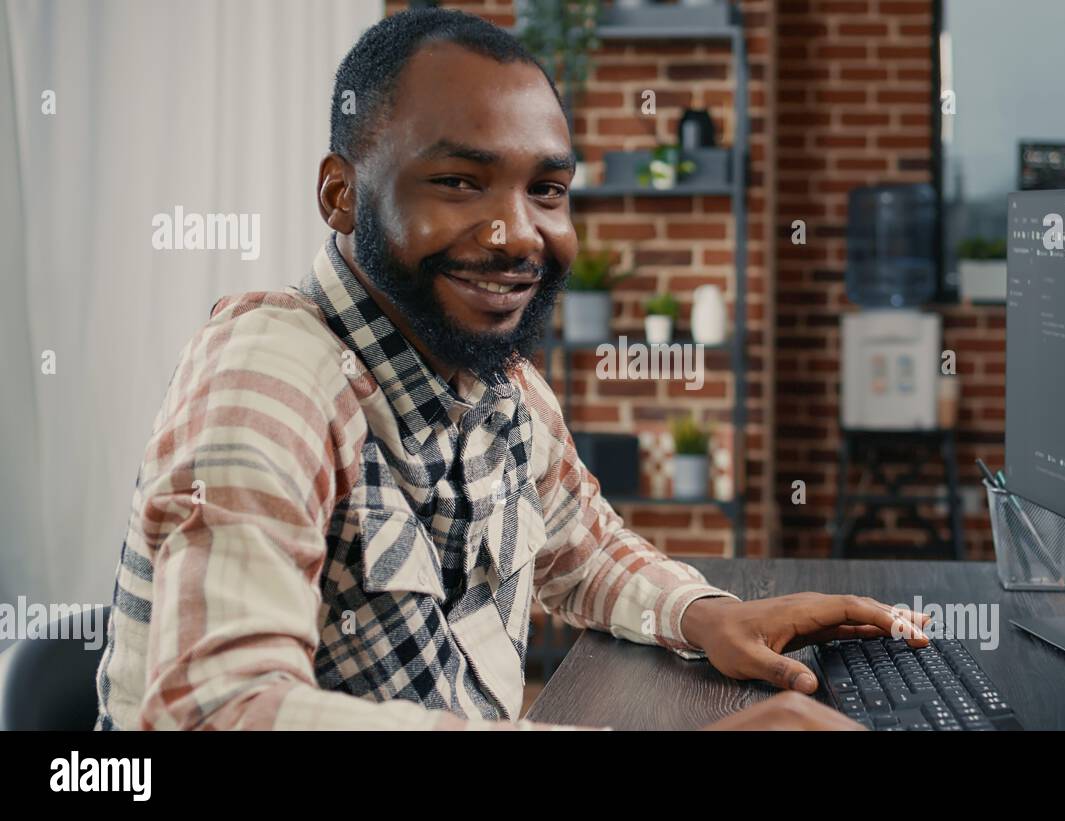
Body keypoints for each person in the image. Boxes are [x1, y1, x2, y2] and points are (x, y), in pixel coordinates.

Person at [94, 7, 928, 731]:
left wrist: (708, 614)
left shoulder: (499, 383)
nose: (518, 234)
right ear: (340, 194)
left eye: (548, 190)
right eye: (460, 181)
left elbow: (583, 549)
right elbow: (213, 710)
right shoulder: (266, 377)